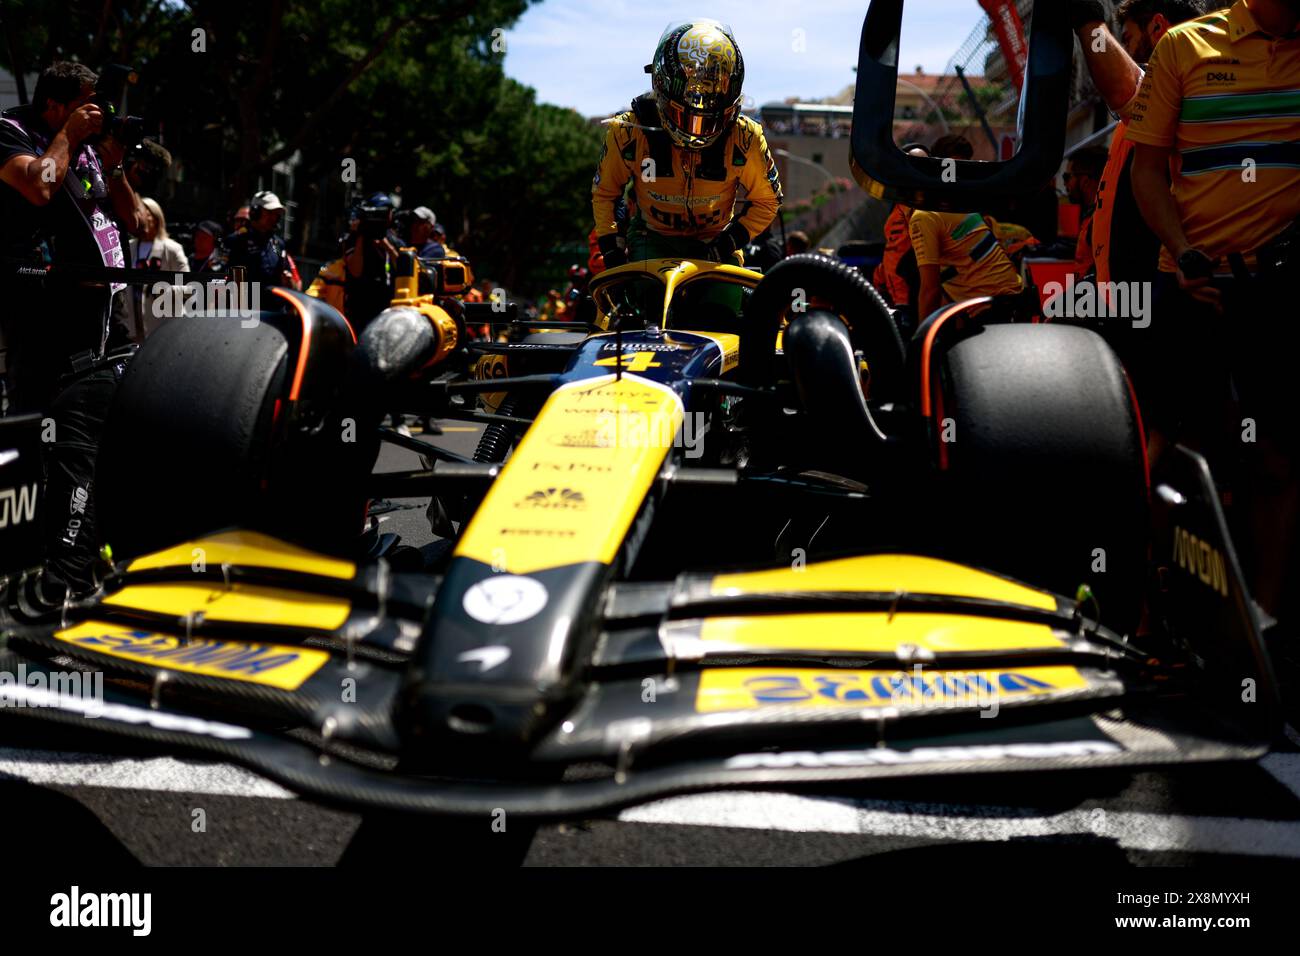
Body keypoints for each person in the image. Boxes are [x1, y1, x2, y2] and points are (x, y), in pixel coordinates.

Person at [1126, 0, 1300, 617]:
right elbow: (1146, 171)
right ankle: (1146, 605)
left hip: (1279, 297)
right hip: (1192, 285)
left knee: (1275, 460)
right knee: (1167, 452)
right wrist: (1184, 250)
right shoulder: (1185, 46)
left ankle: (1264, 623)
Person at [0, 61, 145, 608]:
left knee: (99, 458)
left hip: (108, 331)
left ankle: (87, 563)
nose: (98, 114)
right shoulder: (12, 131)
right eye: (88, 104)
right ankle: (51, 580)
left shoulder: (87, 150)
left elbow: (138, 225)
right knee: (53, 460)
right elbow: (39, 187)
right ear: (57, 105)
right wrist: (69, 137)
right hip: (46, 333)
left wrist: (113, 166)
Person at [592, 19, 783, 296]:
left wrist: (728, 242)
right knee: (640, 310)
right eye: (686, 116)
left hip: (714, 246)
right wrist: (612, 253)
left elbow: (768, 200)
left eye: (708, 120)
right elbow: (606, 193)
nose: (696, 133)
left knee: (725, 315)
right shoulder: (627, 131)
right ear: (661, 85)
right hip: (652, 240)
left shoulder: (746, 137)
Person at [1070, 0, 1210, 290]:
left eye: (1128, 39)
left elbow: (1124, 88)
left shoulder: (1185, 86)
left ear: (1158, 27)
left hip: (1158, 285)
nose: (1125, 51)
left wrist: (1088, 19)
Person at [907, 136, 1027, 322]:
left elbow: (930, 291)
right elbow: (956, 271)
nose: (956, 175)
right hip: (1013, 300)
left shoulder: (926, 215)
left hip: (993, 308)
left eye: (962, 169)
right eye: (953, 167)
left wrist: (921, 341)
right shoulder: (960, 206)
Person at [119, 196, 189, 341]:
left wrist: (163, 290)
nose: (140, 217)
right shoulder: (129, 247)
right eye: (136, 212)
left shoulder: (172, 249)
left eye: (145, 213)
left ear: (156, 218)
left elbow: (189, 287)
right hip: (134, 326)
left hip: (166, 327)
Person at [206, 190, 298, 289]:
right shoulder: (234, 241)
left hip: (271, 303)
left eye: (277, 214)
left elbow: (292, 283)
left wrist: (288, 281)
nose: (274, 217)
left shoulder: (278, 244)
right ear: (255, 213)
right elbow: (216, 277)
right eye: (270, 212)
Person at [1062, 145, 1109, 277]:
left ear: (1085, 182)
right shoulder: (1093, 216)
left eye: (1067, 177)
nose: (1065, 184)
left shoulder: (1100, 221)